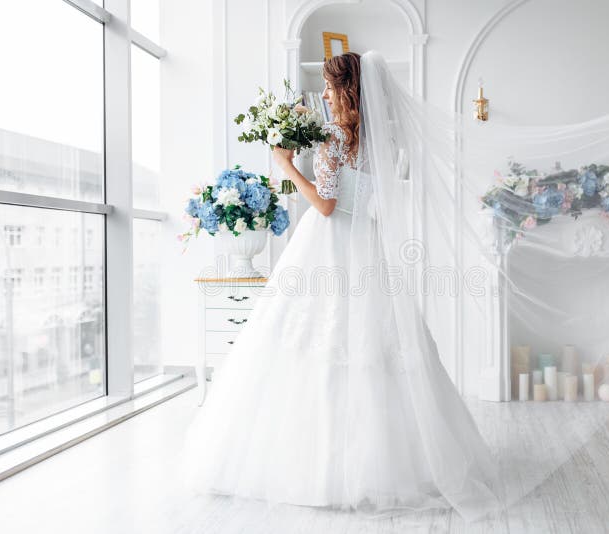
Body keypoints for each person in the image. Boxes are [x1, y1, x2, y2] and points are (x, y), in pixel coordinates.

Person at [181, 51, 502, 522]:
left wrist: (285, 164)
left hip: (328, 246)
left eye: (330, 89)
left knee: (310, 343)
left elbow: (326, 206)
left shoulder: (333, 139)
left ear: (349, 91)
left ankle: (320, 469)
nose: (326, 97)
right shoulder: (384, 141)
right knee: (373, 349)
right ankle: (395, 465)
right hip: (366, 246)